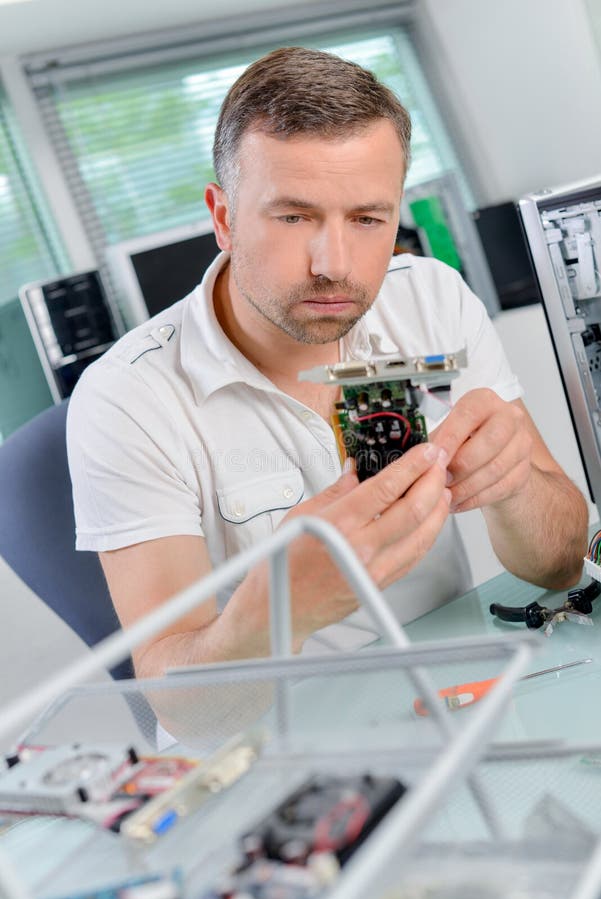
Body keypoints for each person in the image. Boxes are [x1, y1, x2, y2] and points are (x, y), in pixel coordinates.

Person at [67, 47, 588, 678]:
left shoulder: (430, 298)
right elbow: (182, 706)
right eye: (294, 216)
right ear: (224, 218)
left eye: (368, 218)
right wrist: (281, 613)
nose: (334, 264)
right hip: (285, 720)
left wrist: (514, 484)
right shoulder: (127, 398)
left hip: (454, 683)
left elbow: (560, 566)